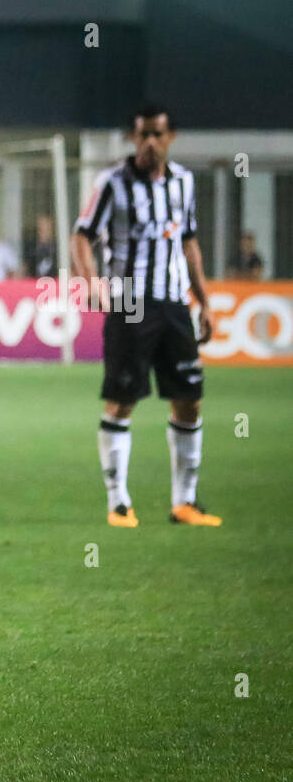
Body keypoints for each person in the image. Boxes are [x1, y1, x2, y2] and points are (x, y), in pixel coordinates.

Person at [72, 102, 219, 529]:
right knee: (122, 401)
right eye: (143, 135)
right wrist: (92, 280)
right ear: (133, 139)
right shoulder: (112, 183)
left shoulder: (184, 183)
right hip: (129, 303)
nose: (150, 142)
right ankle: (119, 503)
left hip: (175, 304)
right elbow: (81, 237)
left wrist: (204, 301)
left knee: (189, 401)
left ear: (171, 137)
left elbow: (189, 243)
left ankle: (184, 503)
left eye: (158, 134)